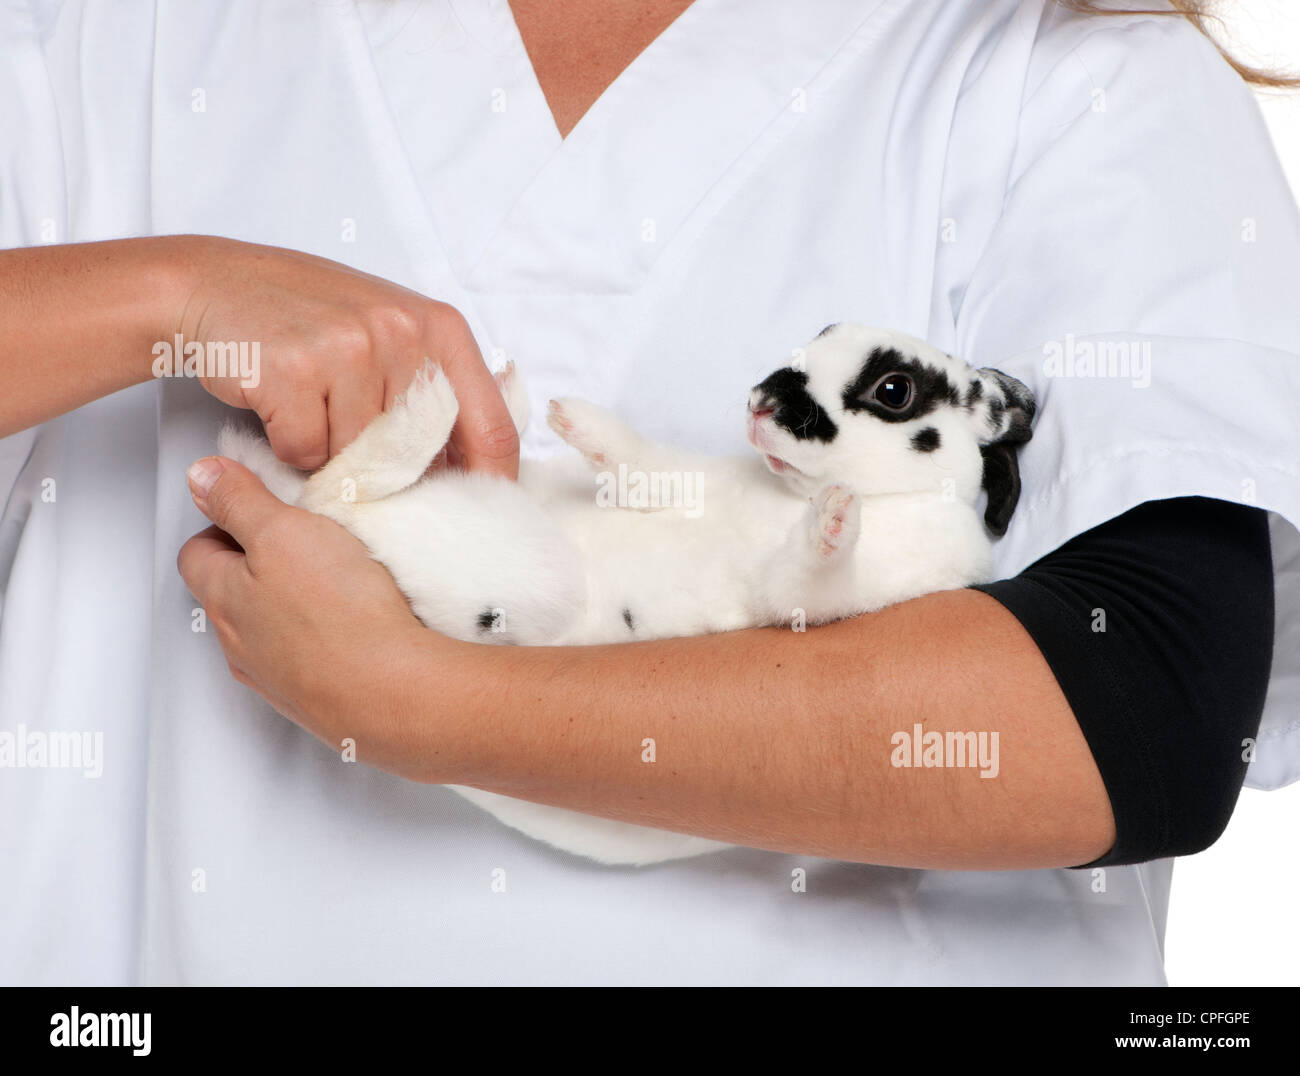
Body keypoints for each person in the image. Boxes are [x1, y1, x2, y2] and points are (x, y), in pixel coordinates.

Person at [1, 0, 1297, 986]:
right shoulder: (119, 42)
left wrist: (417, 701)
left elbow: (1145, 711)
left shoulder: (1066, 88)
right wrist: (159, 297)